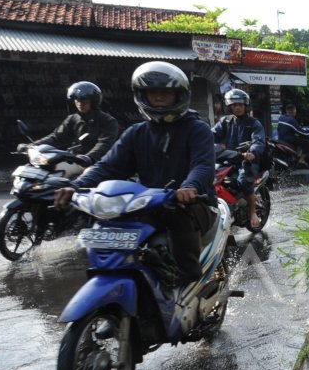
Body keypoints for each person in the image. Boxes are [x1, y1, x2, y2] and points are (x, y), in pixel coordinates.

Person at [54, 62, 216, 288]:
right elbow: (108, 166)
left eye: (165, 92)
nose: (159, 98)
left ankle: (188, 275)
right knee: (110, 219)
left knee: (177, 214)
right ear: (142, 96)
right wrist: (76, 186)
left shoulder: (197, 129)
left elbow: (203, 165)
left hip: (193, 204)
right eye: (152, 93)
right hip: (147, 202)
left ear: (179, 95)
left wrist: (190, 187)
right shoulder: (136, 132)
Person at [212, 88, 266, 230]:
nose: (237, 107)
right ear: (230, 107)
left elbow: (259, 141)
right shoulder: (225, 121)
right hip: (229, 157)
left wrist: (252, 152)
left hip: (248, 160)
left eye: (240, 105)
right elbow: (210, 135)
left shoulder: (254, 123)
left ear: (245, 106)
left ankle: (252, 212)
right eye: (234, 105)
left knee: (243, 180)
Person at [33, 81, 120, 164]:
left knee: (86, 176)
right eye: (77, 100)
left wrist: (89, 157)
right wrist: (32, 146)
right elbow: (56, 137)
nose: (80, 104)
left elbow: (104, 144)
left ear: (93, 102)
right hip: (74, 160)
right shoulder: (73, 118)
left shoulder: (108, 121)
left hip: (98, 163)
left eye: (84, 101)